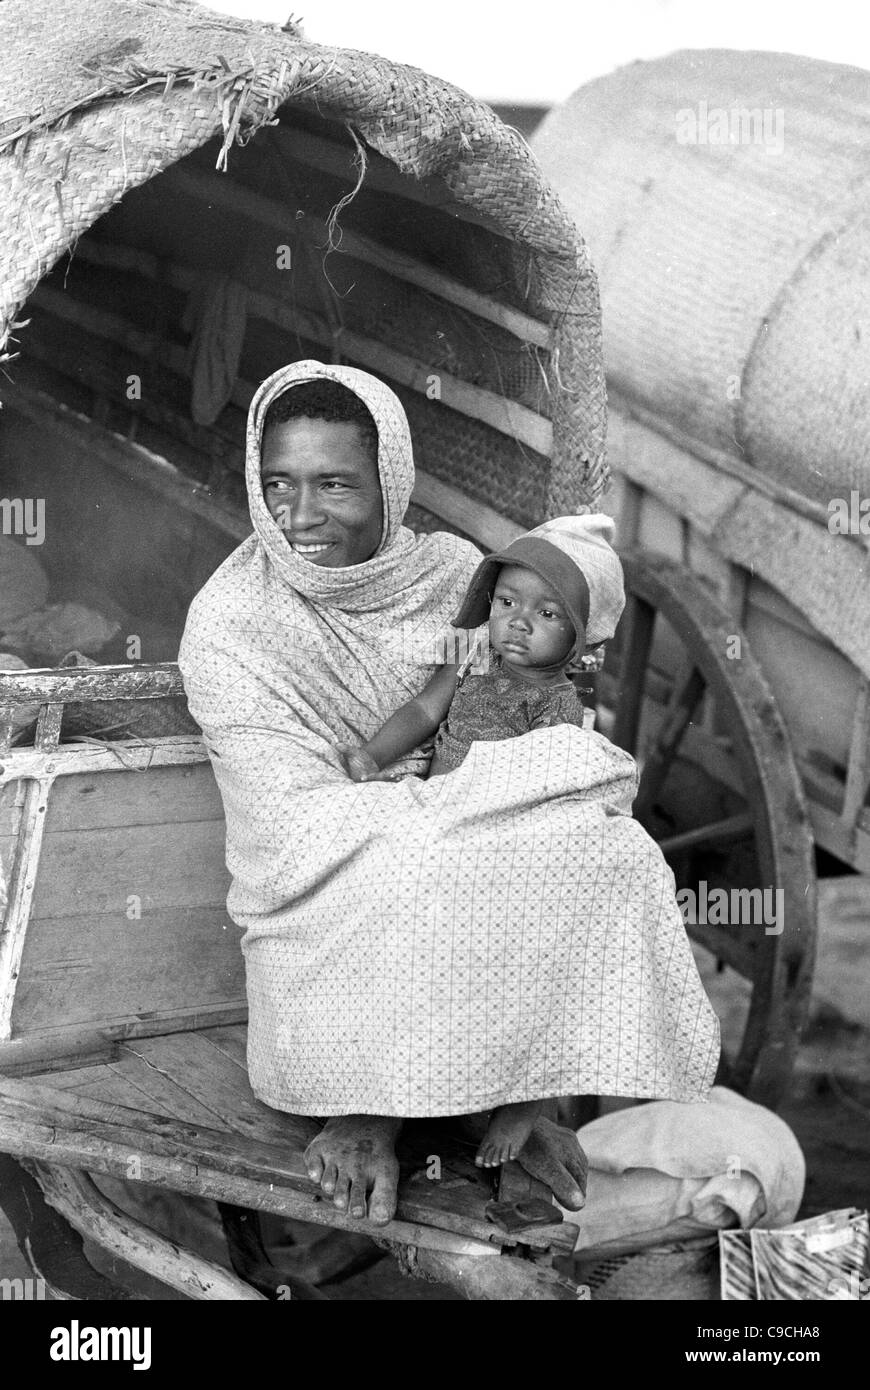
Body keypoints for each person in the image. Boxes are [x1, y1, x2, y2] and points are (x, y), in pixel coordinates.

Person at [179, 360, 720, 1227]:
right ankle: (365, 1107)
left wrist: (491, 793)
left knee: (617, 852)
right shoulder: (231, 621)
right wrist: (428, 805)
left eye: (335, 485)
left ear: (389, 482)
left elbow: (524, 720)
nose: (301, 516)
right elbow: (283, 815)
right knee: (415, 866)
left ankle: (532, 1086)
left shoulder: (452, 577)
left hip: (468, 806)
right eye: (277, 483)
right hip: (339, 840)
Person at [339, 514, 626, 1166]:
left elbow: (551, 790)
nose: (518, 623)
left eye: (547, 614)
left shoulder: (554, 707)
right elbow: (421, 713)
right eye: (506, 603)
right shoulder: (470, 659)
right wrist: (369, 754)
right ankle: (401, 1085)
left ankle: (524, 1103)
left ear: (578, 638)